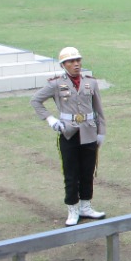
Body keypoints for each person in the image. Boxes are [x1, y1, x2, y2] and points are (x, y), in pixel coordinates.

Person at [30, 47, 108, 227]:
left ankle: (86, 206)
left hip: (89, 131)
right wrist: (50, 119)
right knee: (71, 173)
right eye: (71, 61)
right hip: (69, 133)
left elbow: (98, 109)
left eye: (78, 60)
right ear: (63, 65)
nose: (76, 64)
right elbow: (36, 100)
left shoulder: (90, 82)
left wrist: (101, 131)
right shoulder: (56, 84)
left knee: (88, 171)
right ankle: (72, 208)